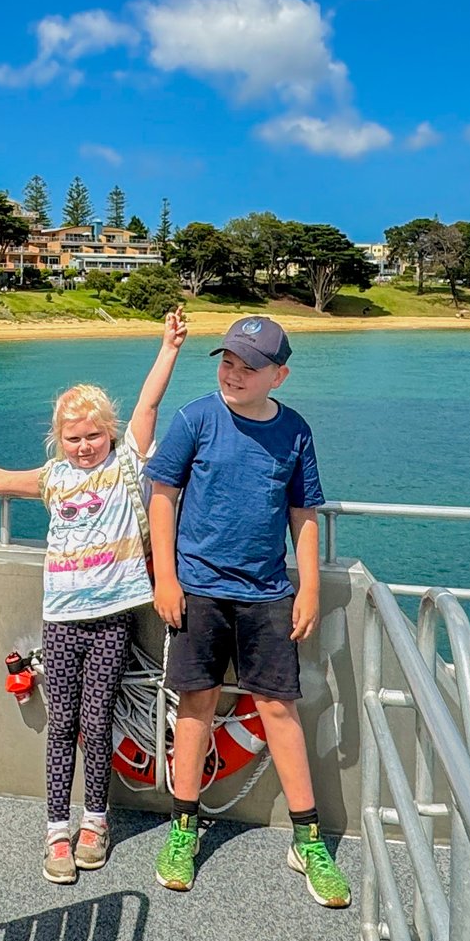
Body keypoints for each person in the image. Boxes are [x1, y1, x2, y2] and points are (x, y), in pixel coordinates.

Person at [0, 308, 188, 881]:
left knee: (97, 721)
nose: (85, 445)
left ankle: (96, 820)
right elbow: (0, 477)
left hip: (113, 617)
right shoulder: (53, 478)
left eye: (94, 435)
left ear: (110, 434)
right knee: (62, 722)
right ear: (58, 438)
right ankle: (57, 832)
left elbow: (148, 407)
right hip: (62, 621)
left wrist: (167, 348)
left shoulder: (125, 466)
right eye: (73, 438)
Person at [143, 314, 346, 906]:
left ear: (278, 376)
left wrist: (307, 588)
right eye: (227, 361)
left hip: (265, 593)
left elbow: (303, 515)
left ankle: (307, 839)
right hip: (198, 590)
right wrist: (167, 579)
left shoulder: (296, 432)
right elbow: (162, 496)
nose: (234, 373)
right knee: (196, 704)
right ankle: (184, 825)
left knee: (278, 708)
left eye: (249, 367)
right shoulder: (195, 418)